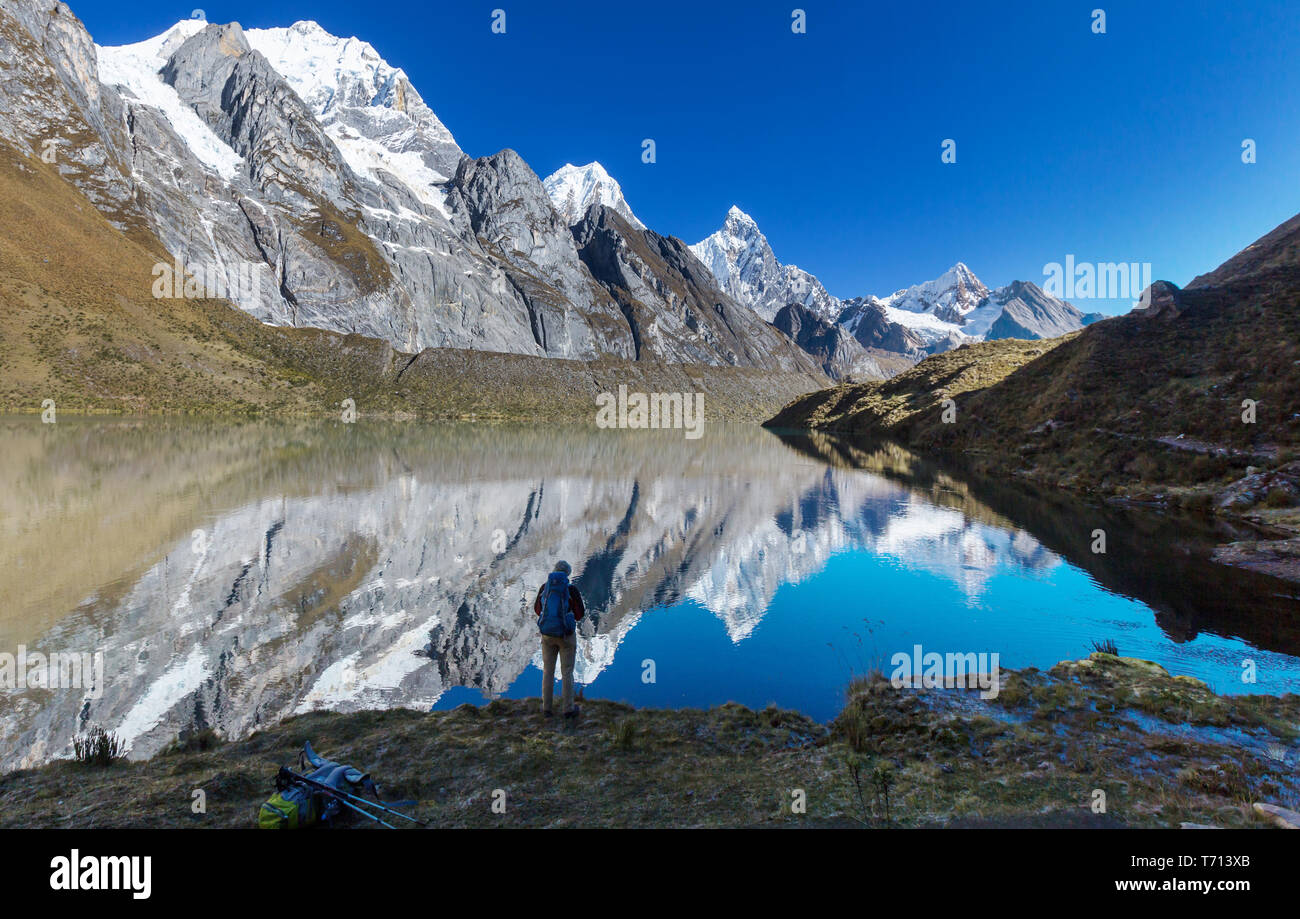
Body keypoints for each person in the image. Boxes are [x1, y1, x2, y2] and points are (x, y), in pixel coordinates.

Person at [532, 560, 585, 718]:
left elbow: (537, 609)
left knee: (548, 671)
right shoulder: (571, 589)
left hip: (547, 635)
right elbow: (579, 614)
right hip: (566, 637)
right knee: (567, 672)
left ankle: (546, 708)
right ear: (568, 573)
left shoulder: (545, 588)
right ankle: (568, 709)